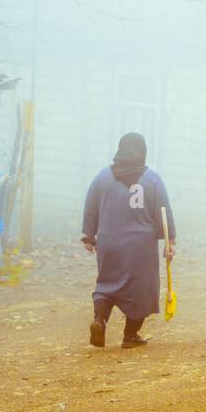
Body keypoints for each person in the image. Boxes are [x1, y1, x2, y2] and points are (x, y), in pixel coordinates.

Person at [80, 132, 176, 349]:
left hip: (109, 243)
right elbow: (163, 211)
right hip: (140, 249)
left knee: (106, 284)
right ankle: (130, 335)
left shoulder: (102, 178)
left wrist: (89, 235)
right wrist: (170, 240)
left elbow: (91, 206)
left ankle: (99, 320)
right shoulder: (152, 180)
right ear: (142, 152)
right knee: (141, 290)